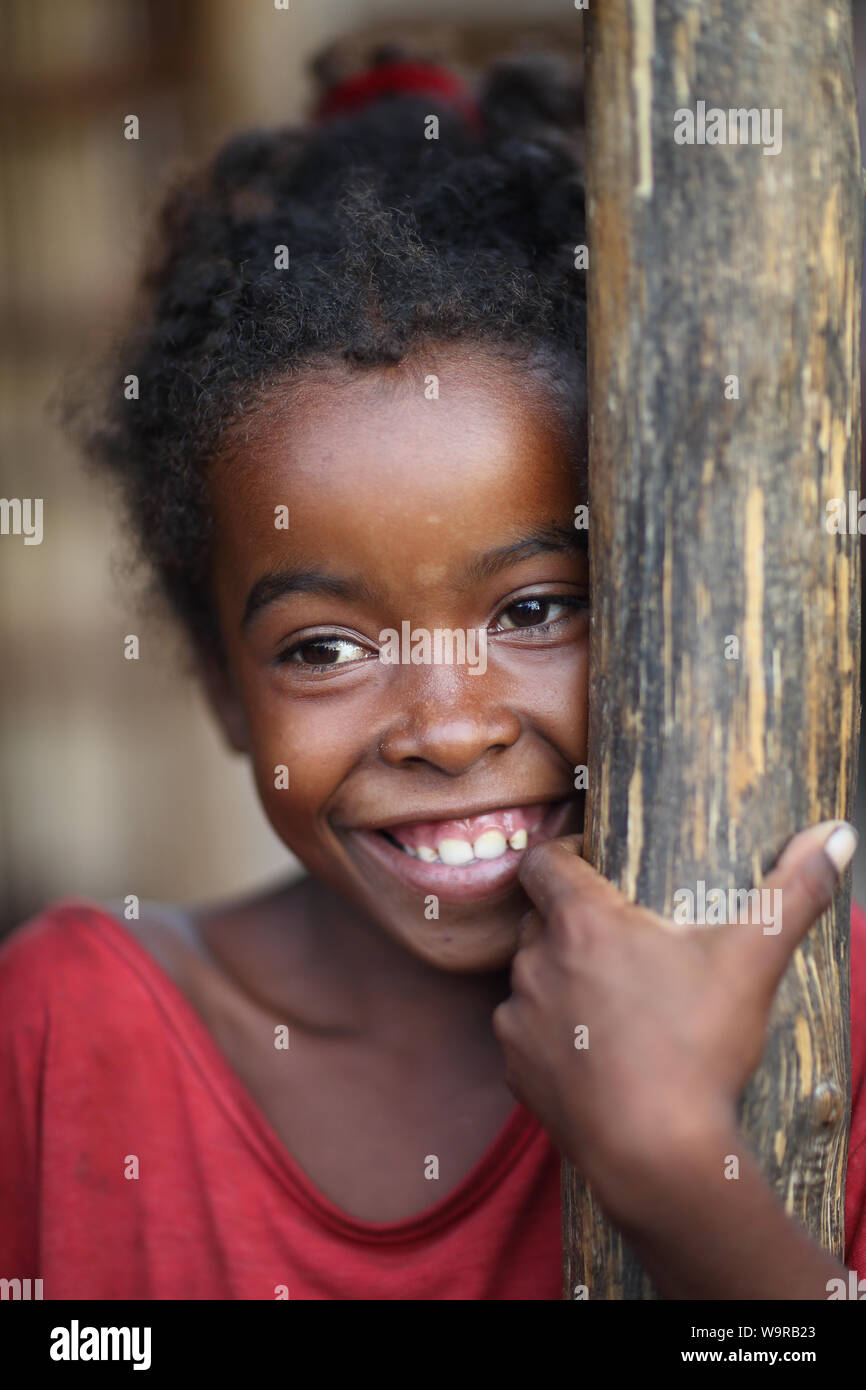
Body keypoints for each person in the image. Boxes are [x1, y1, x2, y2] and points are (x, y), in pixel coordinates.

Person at [0, 51, 863, 1301]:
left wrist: (680, 1175)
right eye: (325, 647)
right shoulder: (63, 1040)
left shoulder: (820, 1029)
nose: (449, 731)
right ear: (217, 686)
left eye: (533, 608)